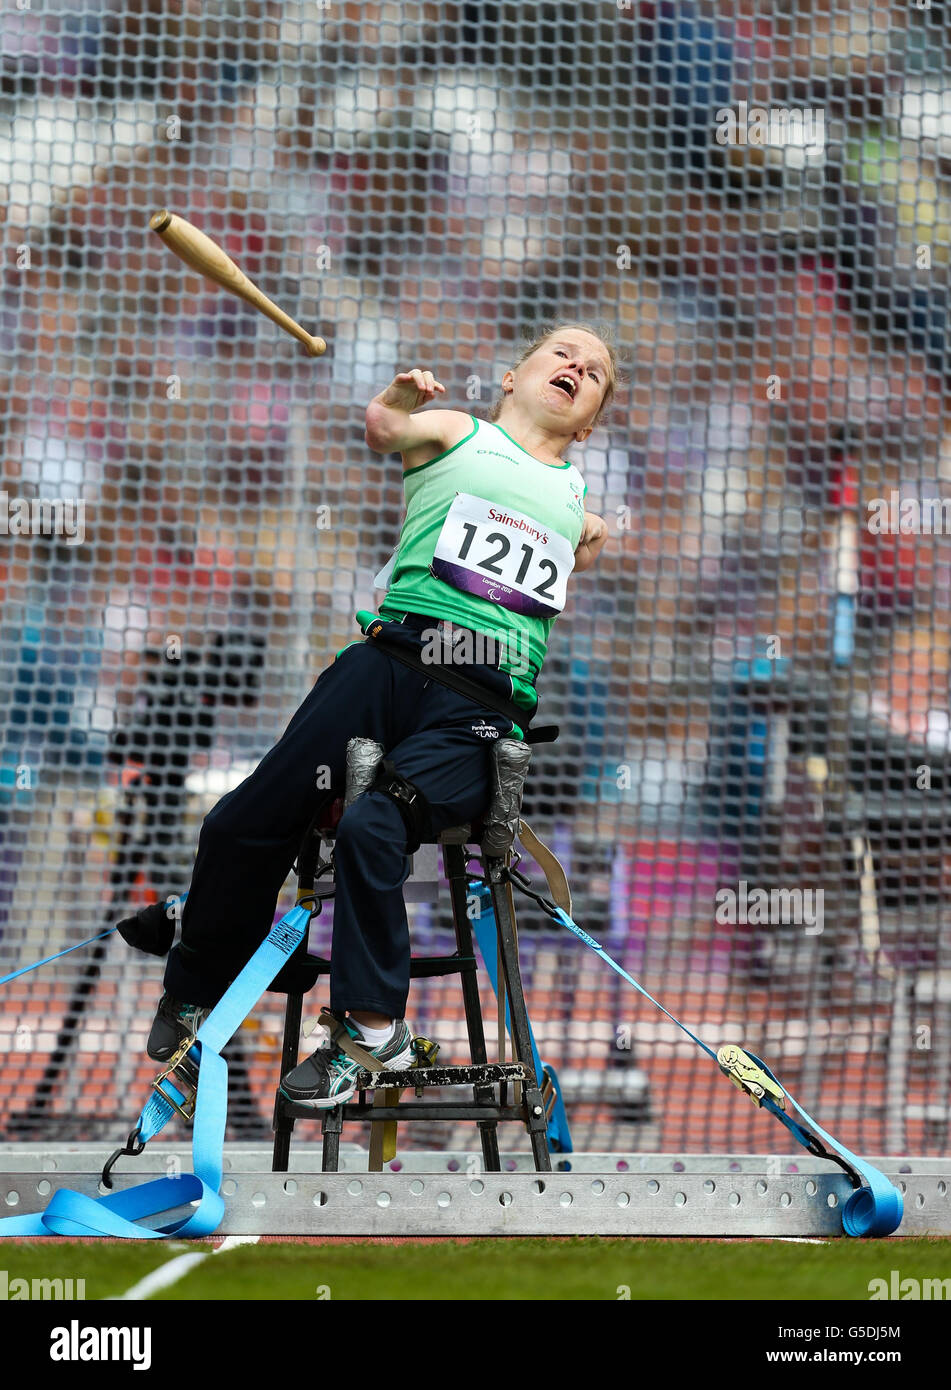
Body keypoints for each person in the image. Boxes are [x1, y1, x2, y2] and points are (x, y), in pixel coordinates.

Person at [138, 322, 616, 1107]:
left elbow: (586, 537)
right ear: (512, 373)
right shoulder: (459, 432)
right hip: (389, 663)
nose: (576, 367)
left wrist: (590, 530)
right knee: (239, 821)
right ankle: (195, 996)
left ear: (590, 420)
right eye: (562, 353)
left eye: (593, 372)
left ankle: (368, 1034)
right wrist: (395, 400)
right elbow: (387, 429)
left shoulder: (578, 500)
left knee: (372, 827)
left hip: (479, 705)